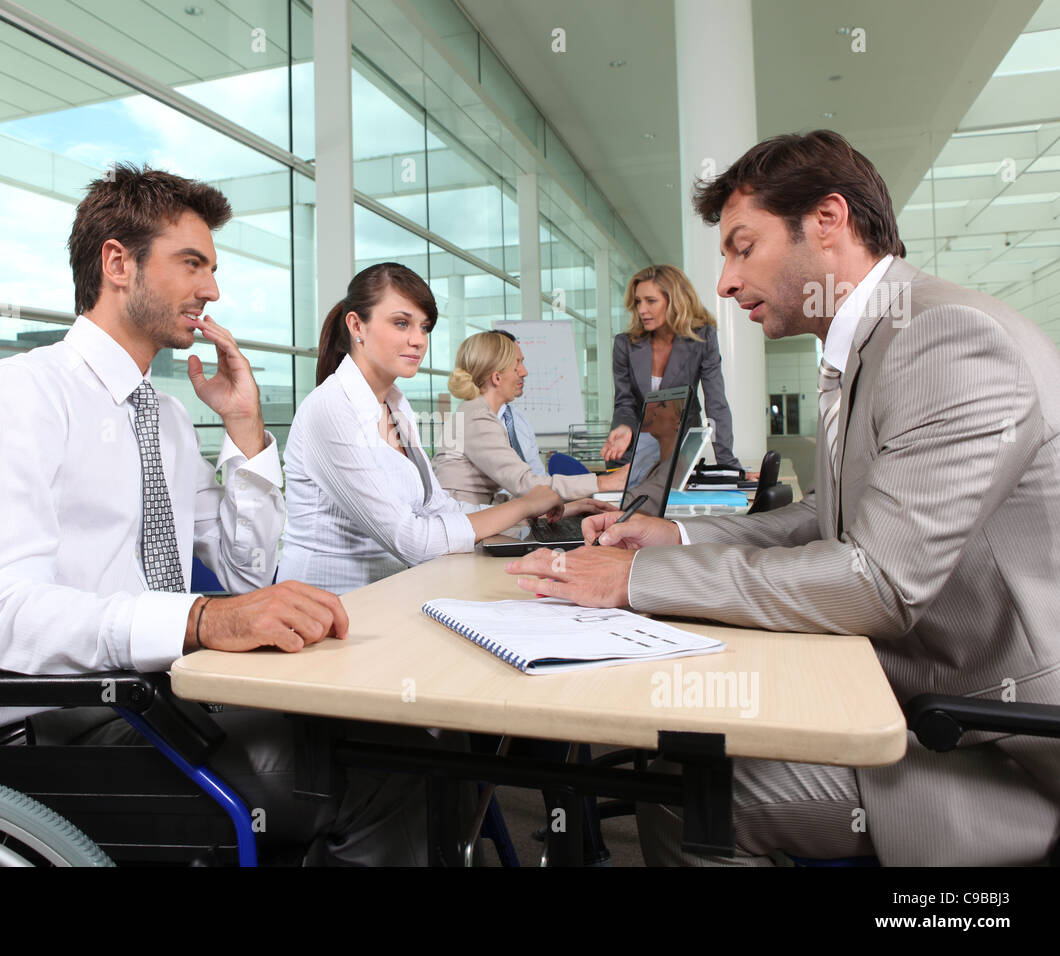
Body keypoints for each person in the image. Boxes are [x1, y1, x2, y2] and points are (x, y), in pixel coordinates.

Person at [506, 130, 1060, 866]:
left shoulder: (946, 339)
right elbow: (833, 521)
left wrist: (635, 580)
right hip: (921, 690)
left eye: (742, 248)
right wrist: (680, 540)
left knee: (690, 788)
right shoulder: (879, 341)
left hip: (992, 736)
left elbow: (877, 582)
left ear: (828, 221)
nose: (727, 284)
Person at [0, 164, 427, 865]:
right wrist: (200, 620)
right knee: (391, 770)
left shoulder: (162, 415)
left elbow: (245, 566)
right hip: (64, 723)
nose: (213, 289)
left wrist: (246, 431)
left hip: (162, 694)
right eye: (192, 263)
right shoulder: (17, 397)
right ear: (117, 264)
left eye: (212, 268)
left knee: (402, 734)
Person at [278, 263, 564, 594]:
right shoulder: (331, 409)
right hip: (331, 608)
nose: (418, 340)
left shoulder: (396, 406)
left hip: (394, 593)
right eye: (402, 323)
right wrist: (524, 505)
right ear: (357, 324)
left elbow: (437, 507)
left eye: (424, 327)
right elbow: (410, 539)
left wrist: (528, 514)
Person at [431, 330, 629, 504]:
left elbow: (498, 495)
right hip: (464, 528)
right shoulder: (477, 418)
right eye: (516, 365)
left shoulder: (476, 412)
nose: (523, 372)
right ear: (497, 377)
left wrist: (563, 507)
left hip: (473, 518)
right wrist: (605, 482)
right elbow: (524, 484)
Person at [600, 264, 738, 469]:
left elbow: (716, 403)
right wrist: (624, 427)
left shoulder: (703, 338)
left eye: (651, 301)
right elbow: (624, 402)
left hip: (680, 450)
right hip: (633, 450)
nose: (641, 309)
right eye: (638, 301)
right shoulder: (625, 345)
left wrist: (728, 464)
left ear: (674, 301)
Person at [491, 329, 547, 478]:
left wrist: (564, 501)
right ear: (495, 371)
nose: (524, 372)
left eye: (522, 362)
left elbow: (539, 477)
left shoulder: (518, 420)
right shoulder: (467, 422)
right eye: (517, 363)